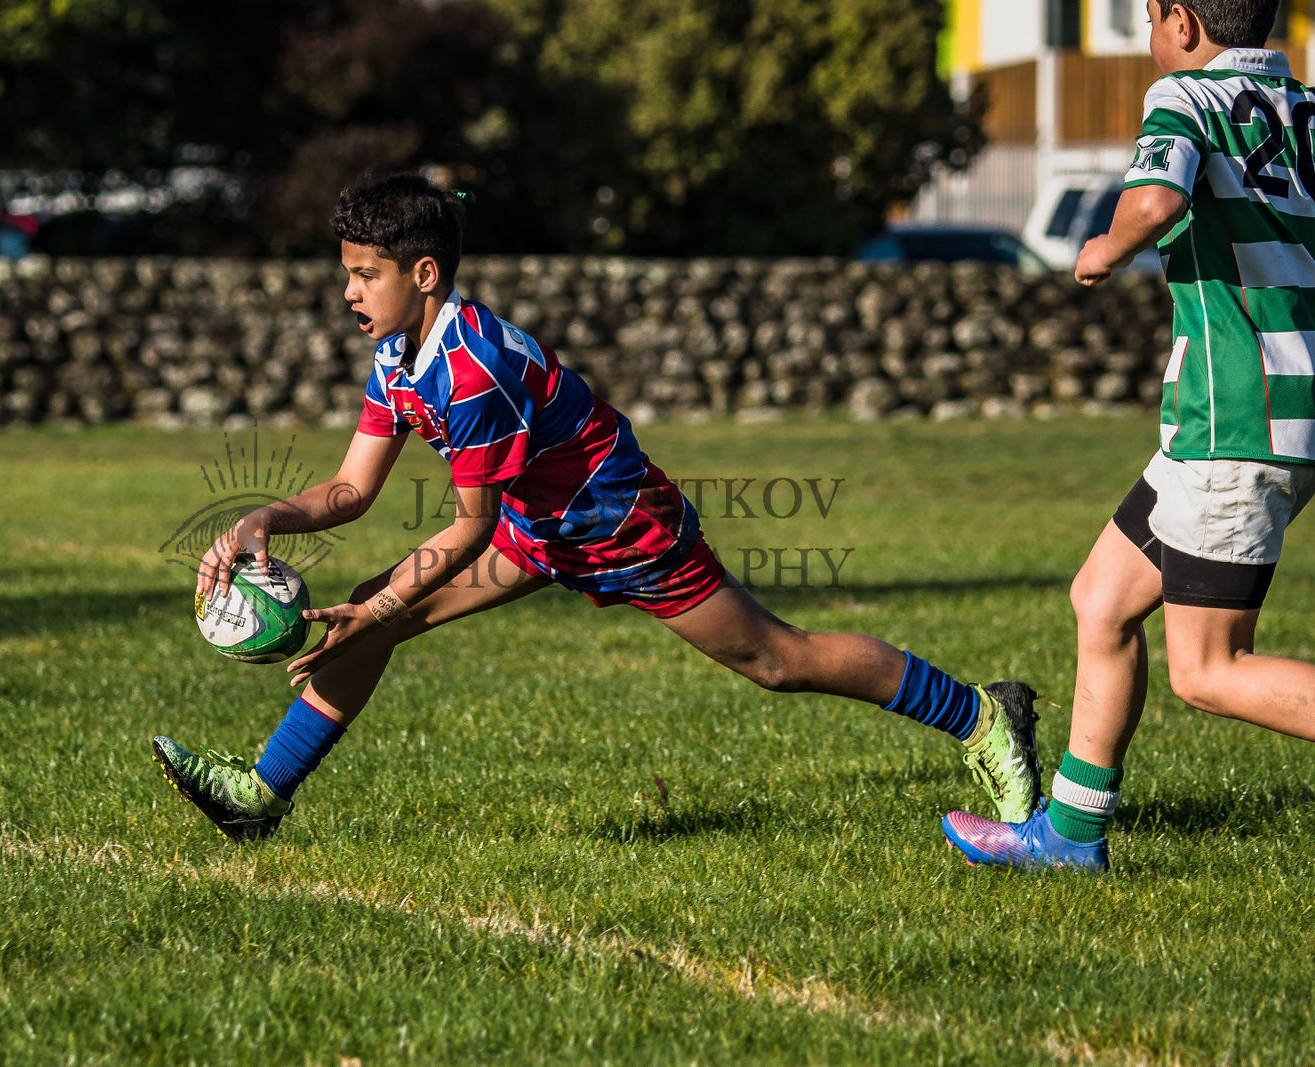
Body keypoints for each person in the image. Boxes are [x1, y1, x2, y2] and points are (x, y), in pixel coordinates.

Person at [152, 173, 1040, 842]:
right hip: (538, 526)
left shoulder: (473, 370)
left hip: (619, 522)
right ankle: (261, 796)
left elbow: (468, 526)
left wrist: (384, 602)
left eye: (363, 274)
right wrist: (265, 519)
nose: (347, 291)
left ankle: (983, 717)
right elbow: (351, 489)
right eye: (345, 273)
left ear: (423, 274)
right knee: (370, 617)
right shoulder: (396, 353)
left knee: (778, 660)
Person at [943, 0, 1315, 872]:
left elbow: (1152, 199)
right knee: (1103, 599)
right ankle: (1071, 836)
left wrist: (1104, 249)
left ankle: (1070, 838)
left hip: (1236, 418)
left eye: (1148, 15)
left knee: (1209, 670)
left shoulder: (1186, 95)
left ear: (1180, 22)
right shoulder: (1303, 108)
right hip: (1261, 411)